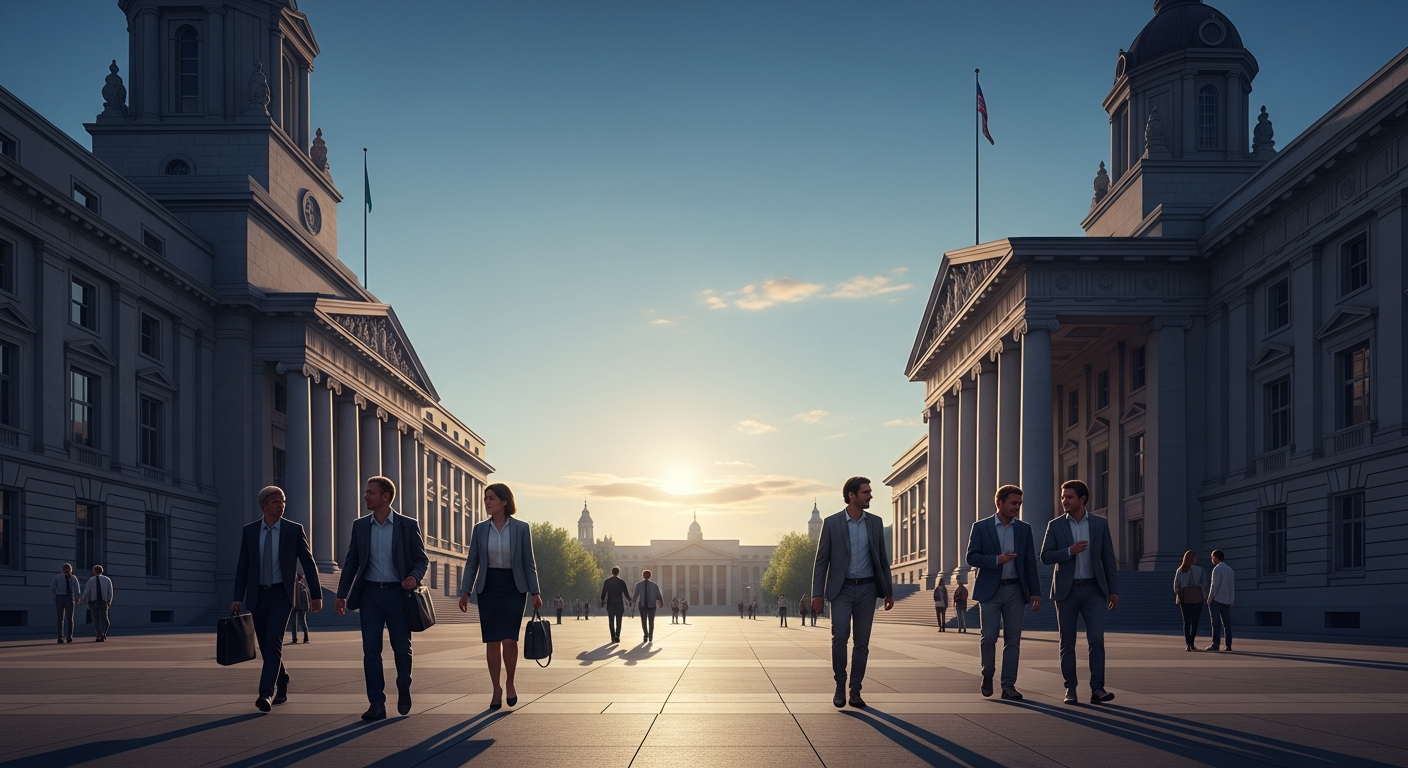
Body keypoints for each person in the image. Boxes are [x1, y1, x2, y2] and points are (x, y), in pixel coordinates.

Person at [335, 476, 429, 720]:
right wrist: (341, 594)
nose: (366, 496)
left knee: (402, 648)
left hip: (399, 595)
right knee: (371, 650)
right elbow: (351, 561)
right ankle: (376, 703)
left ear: (385, 497)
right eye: (366, 492)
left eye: (371, 493)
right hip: (370, 595)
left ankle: (403, 684)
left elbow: (422, 559)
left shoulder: (407, 525)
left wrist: (414, 577)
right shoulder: (360, 526)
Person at [232, 486, 323, 712]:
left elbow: (308, 563)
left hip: (282, 595)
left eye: (282, 501)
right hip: (257, 595)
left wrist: (316, 594)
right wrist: (237, 597)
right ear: (263, 506)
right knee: (266, 646)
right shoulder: (250, 531)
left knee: (274, 642)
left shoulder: (293, 530)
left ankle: (266, 693)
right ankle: (282, 679)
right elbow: (243, 566)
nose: (281, 505)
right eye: (275, 502)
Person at [811, 476, 895, 709]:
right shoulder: (832, 523)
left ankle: (855, 690)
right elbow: (821, 561)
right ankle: (840, 683)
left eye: (869, 492)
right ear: (851, 496)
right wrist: (817, 593)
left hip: (868, 588)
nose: (870, 496)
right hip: (842, 589)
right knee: (839, 637)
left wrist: (887, 590)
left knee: (862, 642)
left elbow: (882, 559)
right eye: (865, 492)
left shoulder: (875, 523)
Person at [458, 483, 542, 710]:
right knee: (492, 640)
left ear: (504, 501)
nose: (487, 502)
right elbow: (472, 562)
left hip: (514, 588)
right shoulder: (480, 529)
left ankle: (510, 683)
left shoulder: (521, 528)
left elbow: (528, 562)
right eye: (485, 498)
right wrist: (465, 591)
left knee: (509, 639)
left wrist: (535, 591)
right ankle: (496, 688)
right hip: (489, 587)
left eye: (491, 498)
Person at [1041, 479, 1119, 706]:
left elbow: (1108, 560)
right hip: (1067, 591)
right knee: (1067, 642)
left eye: (1069, 497)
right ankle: (1070, 688)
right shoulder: (1055, 525)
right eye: (1063, 497)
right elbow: (1045, 556)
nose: (1064, 500)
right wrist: (1069, 551)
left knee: (1096, 639)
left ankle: (1098, 689)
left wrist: (1113, 590)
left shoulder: (1099, 524)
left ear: (1082, 499)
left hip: (1094, 589)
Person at [967, 485, 1042, 700]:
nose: (1016, 507)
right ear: (999, 503)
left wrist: (1034, 591)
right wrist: (995, 560)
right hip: (990, 590)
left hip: (1016, 590)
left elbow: (1029, 562)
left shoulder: (1024, 529)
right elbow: (971, 557)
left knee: (1013, 640)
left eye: (1019, 503)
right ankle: (987, 674)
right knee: (989, 637)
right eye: (1013, 503)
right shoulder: (981, 527)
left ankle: (1009, 685)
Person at [1173, 550, 1207, 652]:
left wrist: (1180, 593)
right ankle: (1192, 642)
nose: (1196, 560)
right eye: (1195, 558)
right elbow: (1204, 585)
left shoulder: (1180, 570)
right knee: (1195, 621)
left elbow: (1175, 586)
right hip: (1197, 598)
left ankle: (1188, 643)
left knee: (1186, 622)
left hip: (1185, 598)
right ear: (1192, 559)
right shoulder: (1200, 570)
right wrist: (1204, 597)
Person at [1206, 549, 1235, 653]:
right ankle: (1228, 645)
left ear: (1216, 557)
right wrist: (1232, 599)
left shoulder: (1217, 569)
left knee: (1215, 622)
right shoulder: (1230, 570)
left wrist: (1210, 597)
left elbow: (1214, 585)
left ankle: (1215, 644)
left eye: (1212, 557)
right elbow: (1232, 586)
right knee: (1227, 623)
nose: (1211, 559)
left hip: (1217, 599)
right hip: (1227, 600)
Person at [80, 565, 114, 642]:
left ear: (94, 571)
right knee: (103, 619)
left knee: (97, 620)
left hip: (96, 601)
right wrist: (109, 601)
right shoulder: (104, 580)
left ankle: (101, 634)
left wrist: (82, 599)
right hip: (100, 601)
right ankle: (100, 634)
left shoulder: (97, 580)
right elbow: (110, 592)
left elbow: (86, 590)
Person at [600, 566, 631, 644]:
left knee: (611, 621)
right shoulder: (621, 582)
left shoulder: (607, 581)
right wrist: (630, 600)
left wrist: (602, 600)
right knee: (619, 621)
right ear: (618, 572)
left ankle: (612, 636)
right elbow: (626, 593)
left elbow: (603, 593)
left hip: (610, 603)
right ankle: (617, 635)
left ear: (612, 572)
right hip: (619, 604)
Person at [51, 564, 81, 644]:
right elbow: (53, 587)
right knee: (61, 618)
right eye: (66, 569)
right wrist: (56, 597)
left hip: (69, 597)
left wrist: (77, 598)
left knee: (69, 618)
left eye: (69, 569)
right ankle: (61, 636)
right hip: (61, 596)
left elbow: (77, 588)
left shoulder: (73, 578)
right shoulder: (58, 577)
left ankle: (68, 636)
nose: (68, 571)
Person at [633, 569, 664, 642]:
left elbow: (658, 595)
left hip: (651, 606)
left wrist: (661, 601)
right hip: (643, 605)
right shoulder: (639, 585)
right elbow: (635, 595)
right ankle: (647, 634)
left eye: (647, 575)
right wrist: (633, 601)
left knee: (650, 621)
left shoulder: (654, 585)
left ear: (649, 576)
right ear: (643, 576)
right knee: (646, 621)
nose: (646, 576)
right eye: (645, 575)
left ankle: (649, 635)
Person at [289, 572, 310, 644]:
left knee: (294, 623)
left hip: (295, 606)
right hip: (301, 607)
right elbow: (306, 598)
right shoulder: (302, 587)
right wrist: (306, 607)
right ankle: (306, 637)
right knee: (303, 622)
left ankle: (294, 638)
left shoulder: (293, 587)